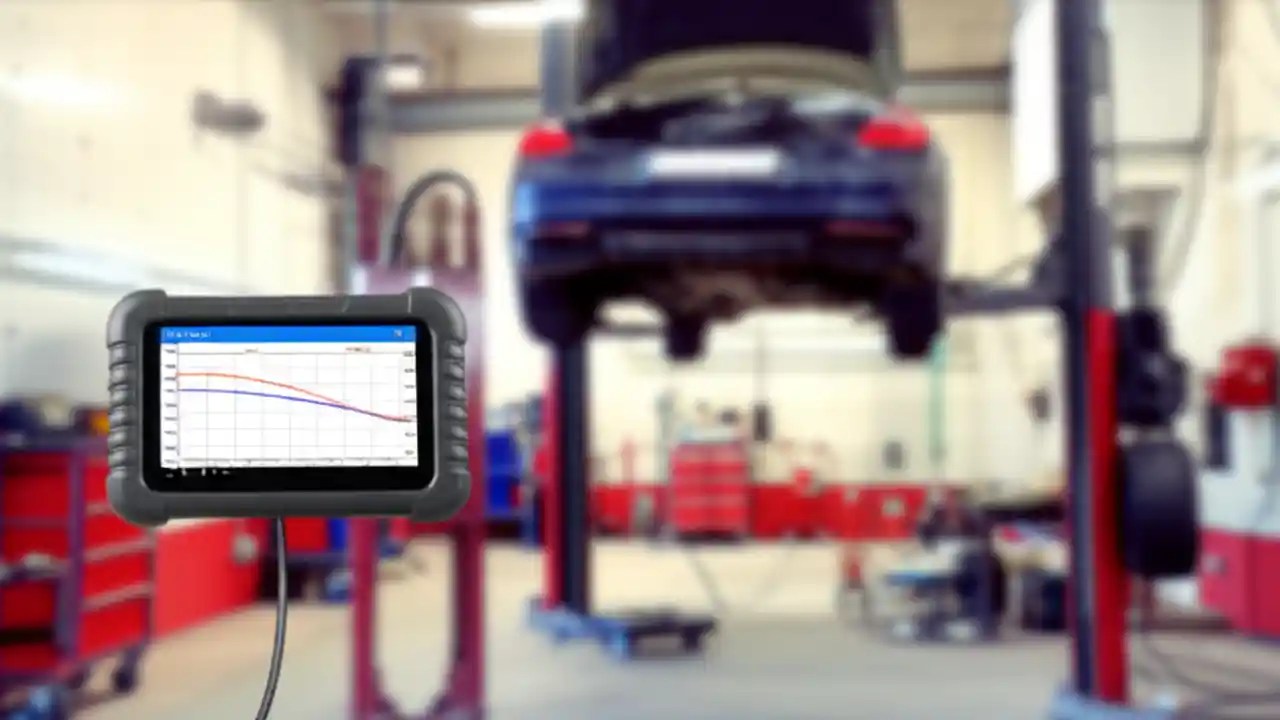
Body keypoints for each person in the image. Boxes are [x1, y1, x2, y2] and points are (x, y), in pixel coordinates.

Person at [915, 489, 1006, 635]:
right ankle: (935, 618)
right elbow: (924, 538)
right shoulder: (936, 516)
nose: (950, 504)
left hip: (970, 558)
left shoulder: (973, 517)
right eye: (947, 501)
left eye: (954, 501)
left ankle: (983, 619)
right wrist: (923, 519)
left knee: (984, 568)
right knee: (931, 575)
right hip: (942, 559)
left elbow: (984, 538)